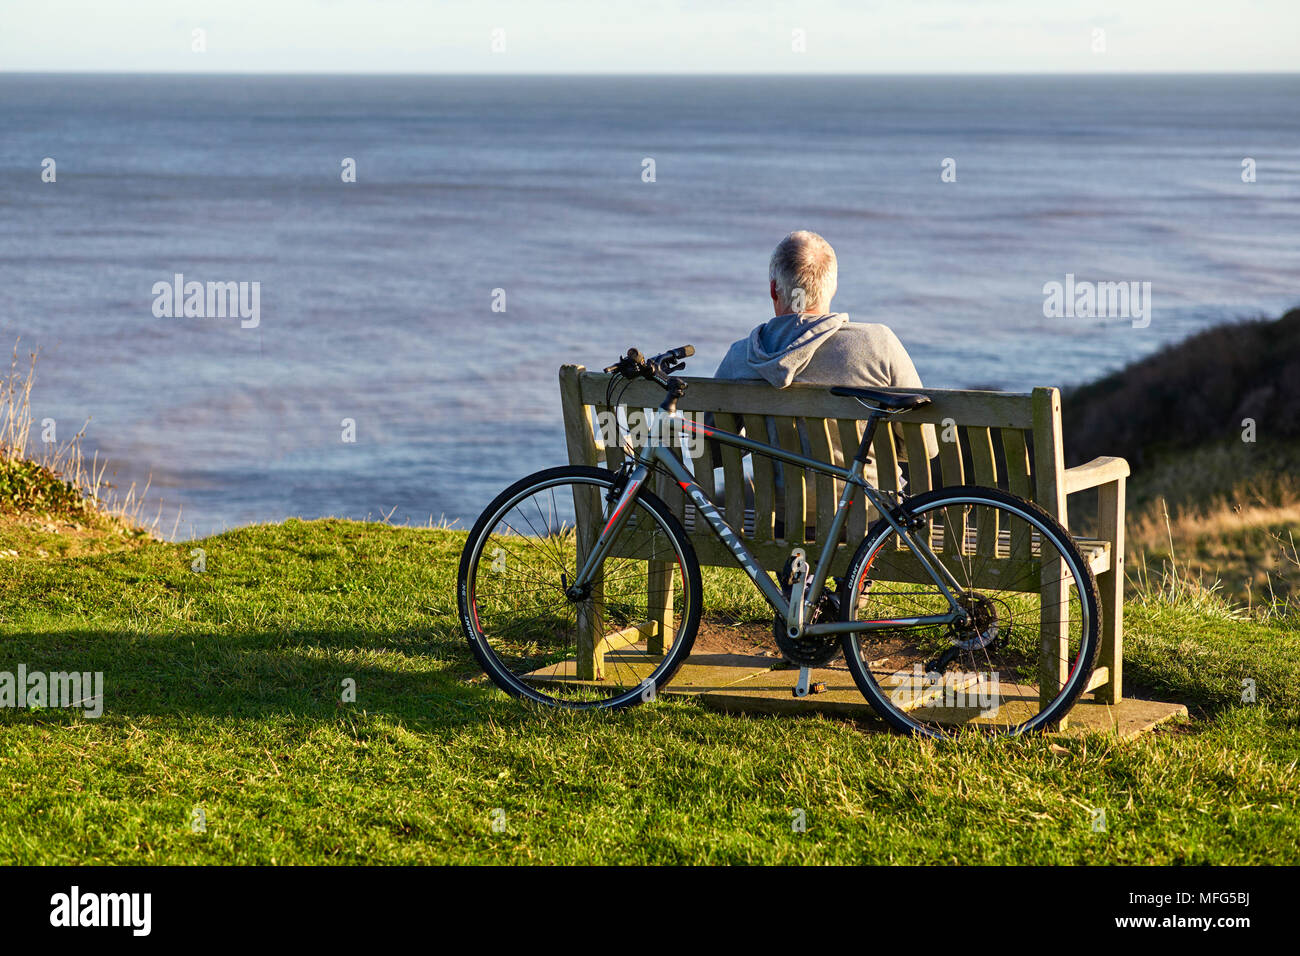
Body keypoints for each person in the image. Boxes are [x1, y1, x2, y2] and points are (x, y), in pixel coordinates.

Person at [714, 230, 938, 499]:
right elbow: (923, 448)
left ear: (774, 289)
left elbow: (715, 450)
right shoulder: (878, 343)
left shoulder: (741, 357)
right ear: (832, 286)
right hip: (872, 522)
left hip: (778, 525)